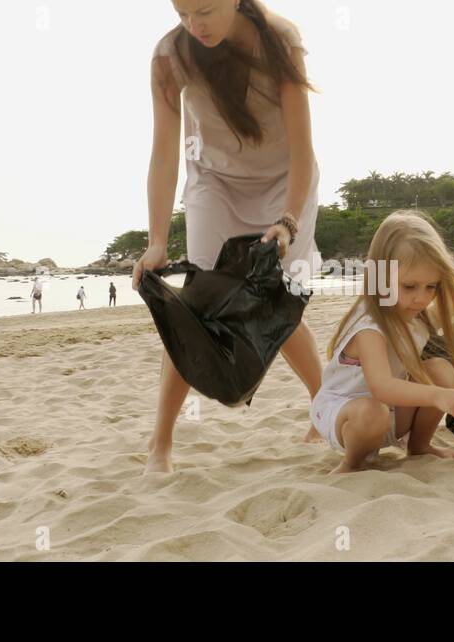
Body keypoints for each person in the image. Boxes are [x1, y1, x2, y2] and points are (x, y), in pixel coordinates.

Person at [132, 0, 324, 473]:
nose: (194, 25)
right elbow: (164, 153)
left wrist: (289, 220)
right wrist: (158, 240)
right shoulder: (169, 56)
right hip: (213, 182)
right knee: (194, 306)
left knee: (276, 303)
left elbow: (303, 147)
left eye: (205, 10)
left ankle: (324, 407)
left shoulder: (280, 39)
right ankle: (161, 444)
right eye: (181, 14)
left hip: (284, 183)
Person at [310, 211, 454, 474]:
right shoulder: (369, 324)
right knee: (373, 411)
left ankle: (419, 446)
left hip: (389, 417)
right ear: (381, 277)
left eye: (431, 287)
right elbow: (382, 387)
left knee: (442, 370)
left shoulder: (414, 313)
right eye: (409, 286)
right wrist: (438, 396)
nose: (421, 299)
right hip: (346, 417)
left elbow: (451, 318)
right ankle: (352, 464)